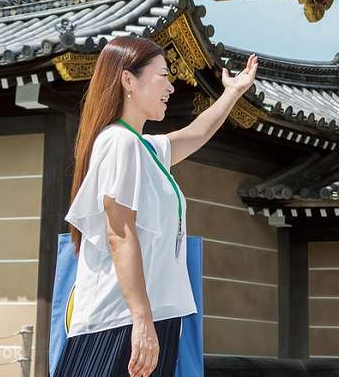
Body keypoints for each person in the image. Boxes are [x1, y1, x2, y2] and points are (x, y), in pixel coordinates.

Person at [55, 36, 259, 377]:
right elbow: (119, 233)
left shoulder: (144, 148)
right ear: (128, 80)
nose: (171, 86)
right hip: (120, 321)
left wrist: (233, 92)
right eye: (163, 75)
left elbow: (195, 134)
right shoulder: (119, 143)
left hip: (150, 317)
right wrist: (141, 317)